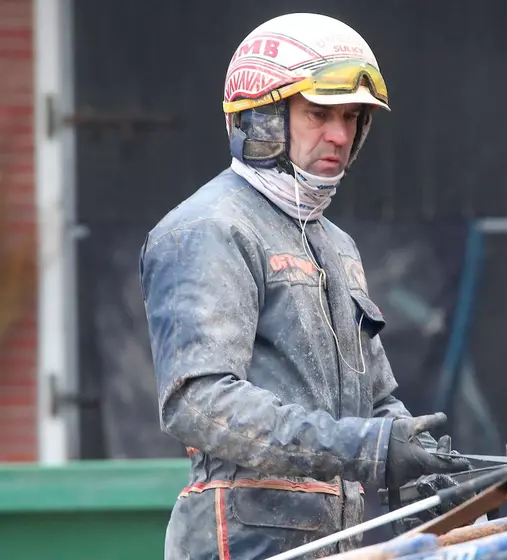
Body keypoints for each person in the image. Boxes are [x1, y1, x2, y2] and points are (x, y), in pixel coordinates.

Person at [138, 12, 472, 560]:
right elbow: (198, 403)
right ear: (263, 117)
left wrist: (418, 458)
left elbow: (378, 400)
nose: (339, 135)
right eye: (319, 113)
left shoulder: (336, 245)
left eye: (351, 117)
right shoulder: (209, 229)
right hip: (241, 544)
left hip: (338, 543)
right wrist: (366, 447)